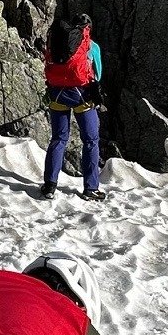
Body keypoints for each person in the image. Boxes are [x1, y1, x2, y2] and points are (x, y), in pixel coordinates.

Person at [41, 14, 104, 203]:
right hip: (82, 96)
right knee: (91, 140)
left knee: (59, 138)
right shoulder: (91, 47)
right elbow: (98, 74)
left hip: (57, 94)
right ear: (87, 29)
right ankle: (90, 188)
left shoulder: (56, 42)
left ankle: (50, 185)